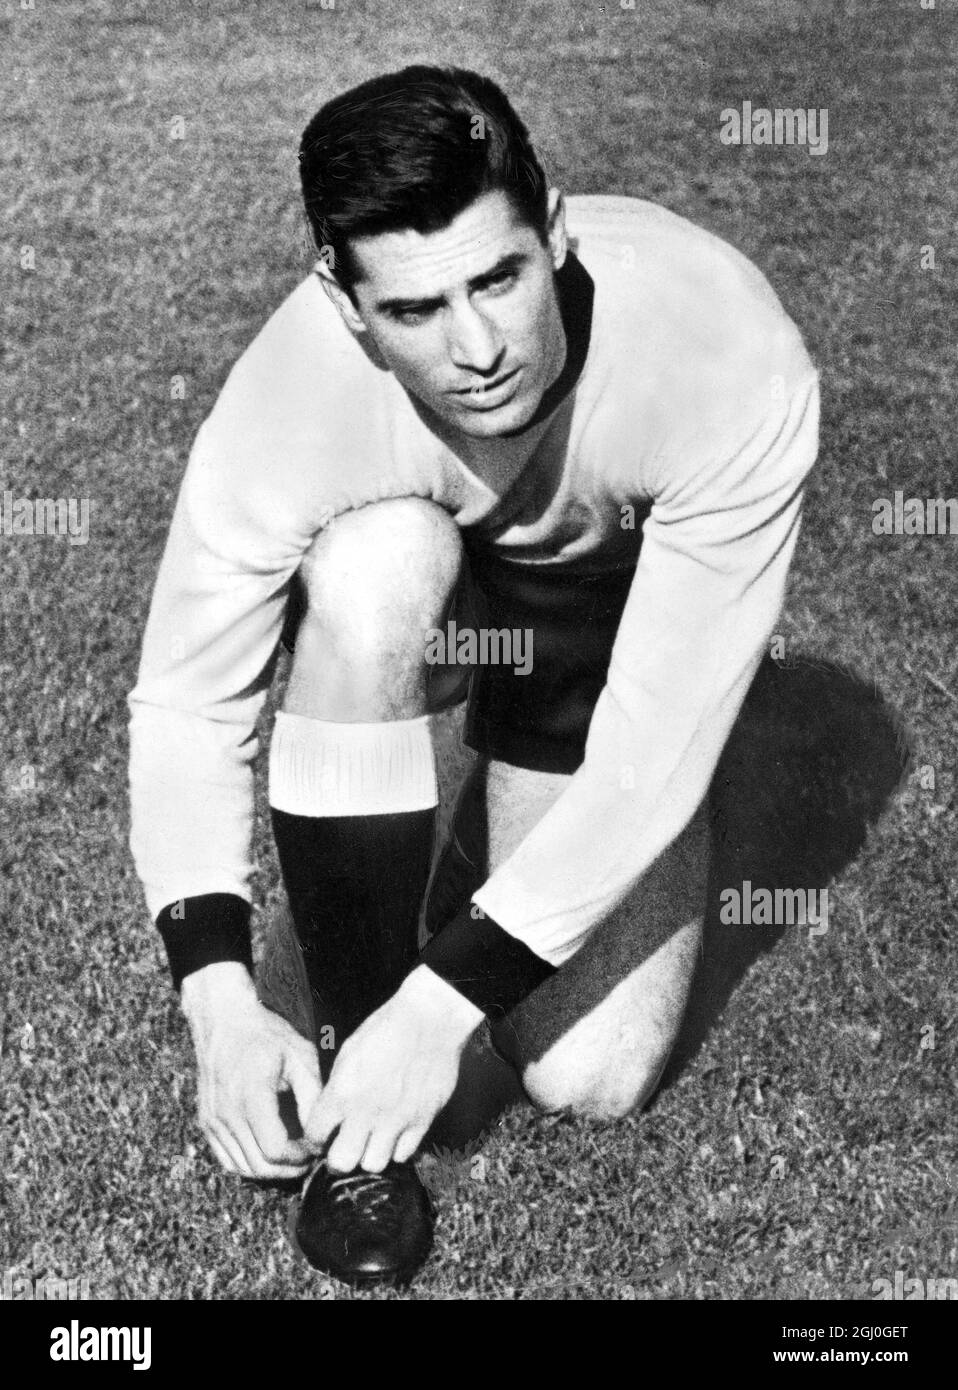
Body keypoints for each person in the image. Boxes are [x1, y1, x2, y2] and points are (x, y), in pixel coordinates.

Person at [128, 64, 820, 1286]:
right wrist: (220, 1001)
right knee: (375, 565)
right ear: (347, 310)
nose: (479, 345)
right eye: (415, 310)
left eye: (499, 276)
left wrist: (446, 1007)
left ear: (552, 235)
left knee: (588, 1080)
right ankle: (359, 1096)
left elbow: (652, 748)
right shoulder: (291, 393)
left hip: (611, 634)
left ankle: (468, 851)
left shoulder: (728, 354)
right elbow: (190, 698)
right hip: (435, 592)